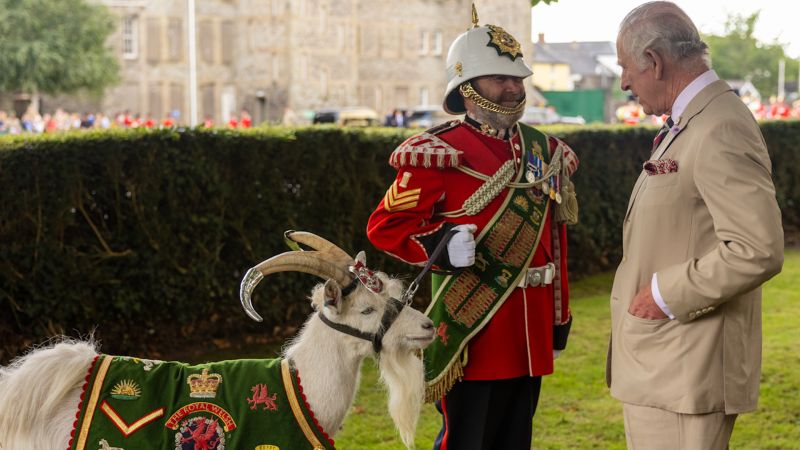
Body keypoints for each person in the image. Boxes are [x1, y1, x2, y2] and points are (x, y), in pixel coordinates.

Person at [366, 6, 579, 449]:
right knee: (466, 441)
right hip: (474, 331)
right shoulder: (437, 153)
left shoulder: (545, 151)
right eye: (500, 78)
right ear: (467, 88)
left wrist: (559, 320)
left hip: (531, 327)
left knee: (516, 439)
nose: (513, 88)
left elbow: (556, 243)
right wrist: (436, 249)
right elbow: (386, 227)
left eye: (517, 78)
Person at [610, 3, 784, 449]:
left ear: (654, 61)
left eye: (626, 67)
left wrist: (664, 295)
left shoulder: (719, 125)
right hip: (669, 366)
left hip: (685, 369)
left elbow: (756, 248)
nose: (624, 82)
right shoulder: (695, 120)